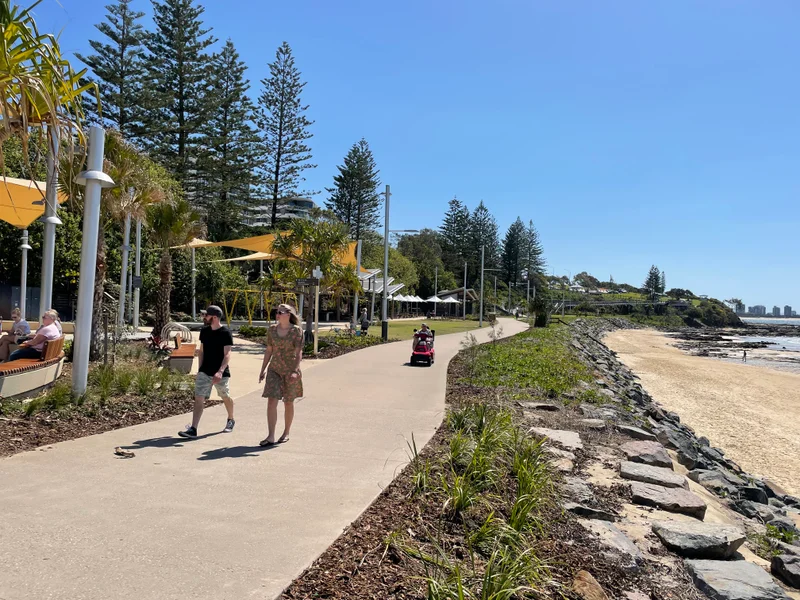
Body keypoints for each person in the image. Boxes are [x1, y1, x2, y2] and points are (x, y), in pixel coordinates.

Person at [178, 305, 235, 439]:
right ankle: (193, 429)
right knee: (199, 397)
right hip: (205, 371)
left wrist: (220, 372)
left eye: (206, 315)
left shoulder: (225, 332)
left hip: (220, 372)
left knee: (225, 396)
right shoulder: (204, 331)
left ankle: (231, 419)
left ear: (214, 317)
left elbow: (227, 354)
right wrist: (200, 370)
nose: (204, 317)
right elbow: (201, 351)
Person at [258, 304, 304, 446]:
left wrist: (295, 370)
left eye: (280, 312)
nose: (277, 314)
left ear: (288, 314)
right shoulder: (272, 330)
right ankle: (271, 435)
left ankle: (286, 432)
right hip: (274, 369)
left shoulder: (296, 331)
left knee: (288, 402)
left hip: (290, 371)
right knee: (271, 400)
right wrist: (263, 369)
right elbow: (269, 350)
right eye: (276, 312)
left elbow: (299, 353)